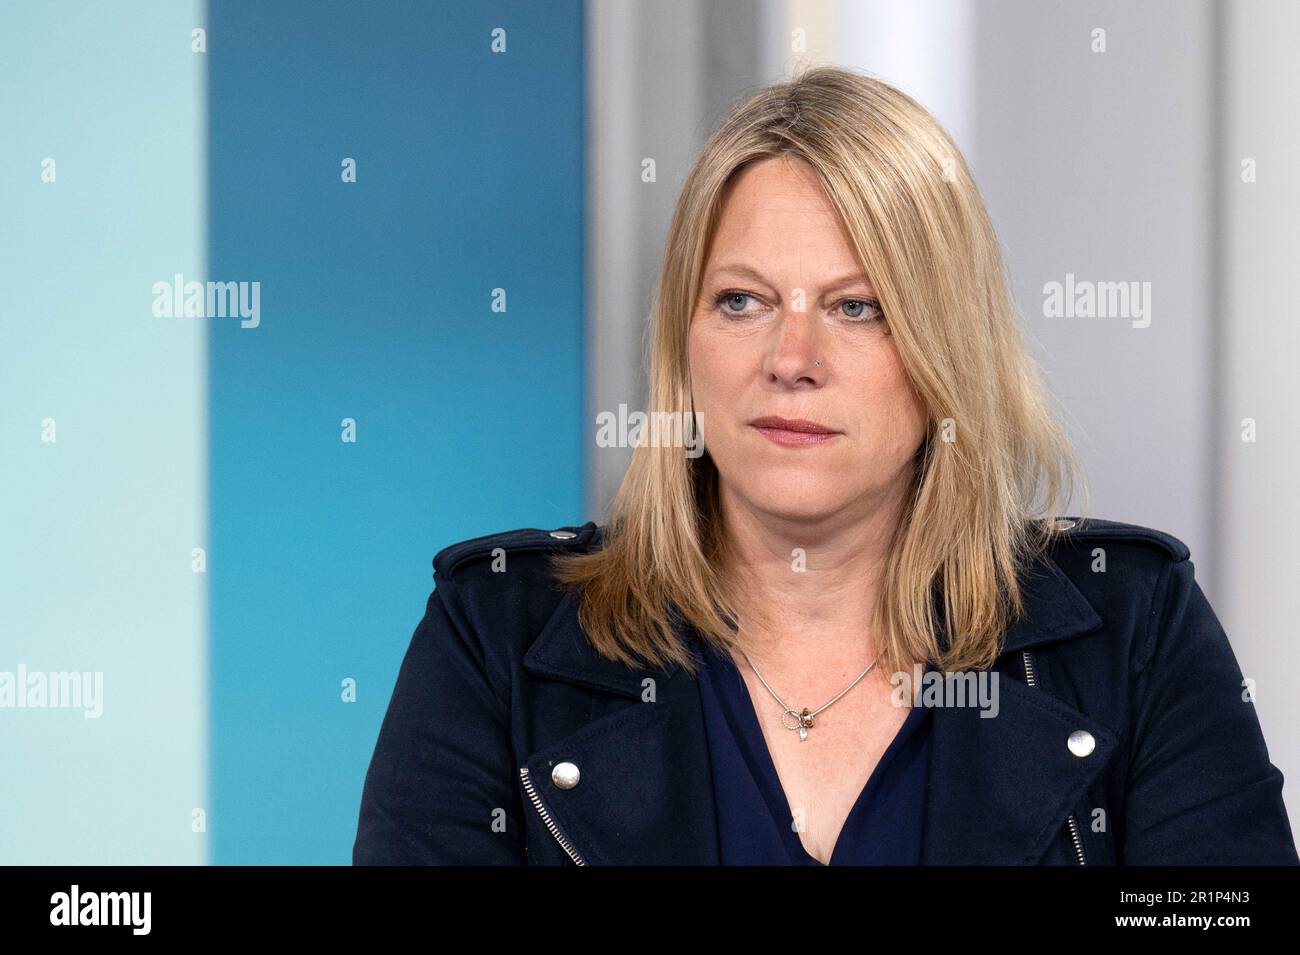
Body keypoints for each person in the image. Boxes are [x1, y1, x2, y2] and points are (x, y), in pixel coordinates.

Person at [352, 65, 1298, 865]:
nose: (790, 357)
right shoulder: (496, 637)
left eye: (857, 307)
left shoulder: (1131, 631)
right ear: (683, 347)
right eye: (740, 301)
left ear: (944, 352)